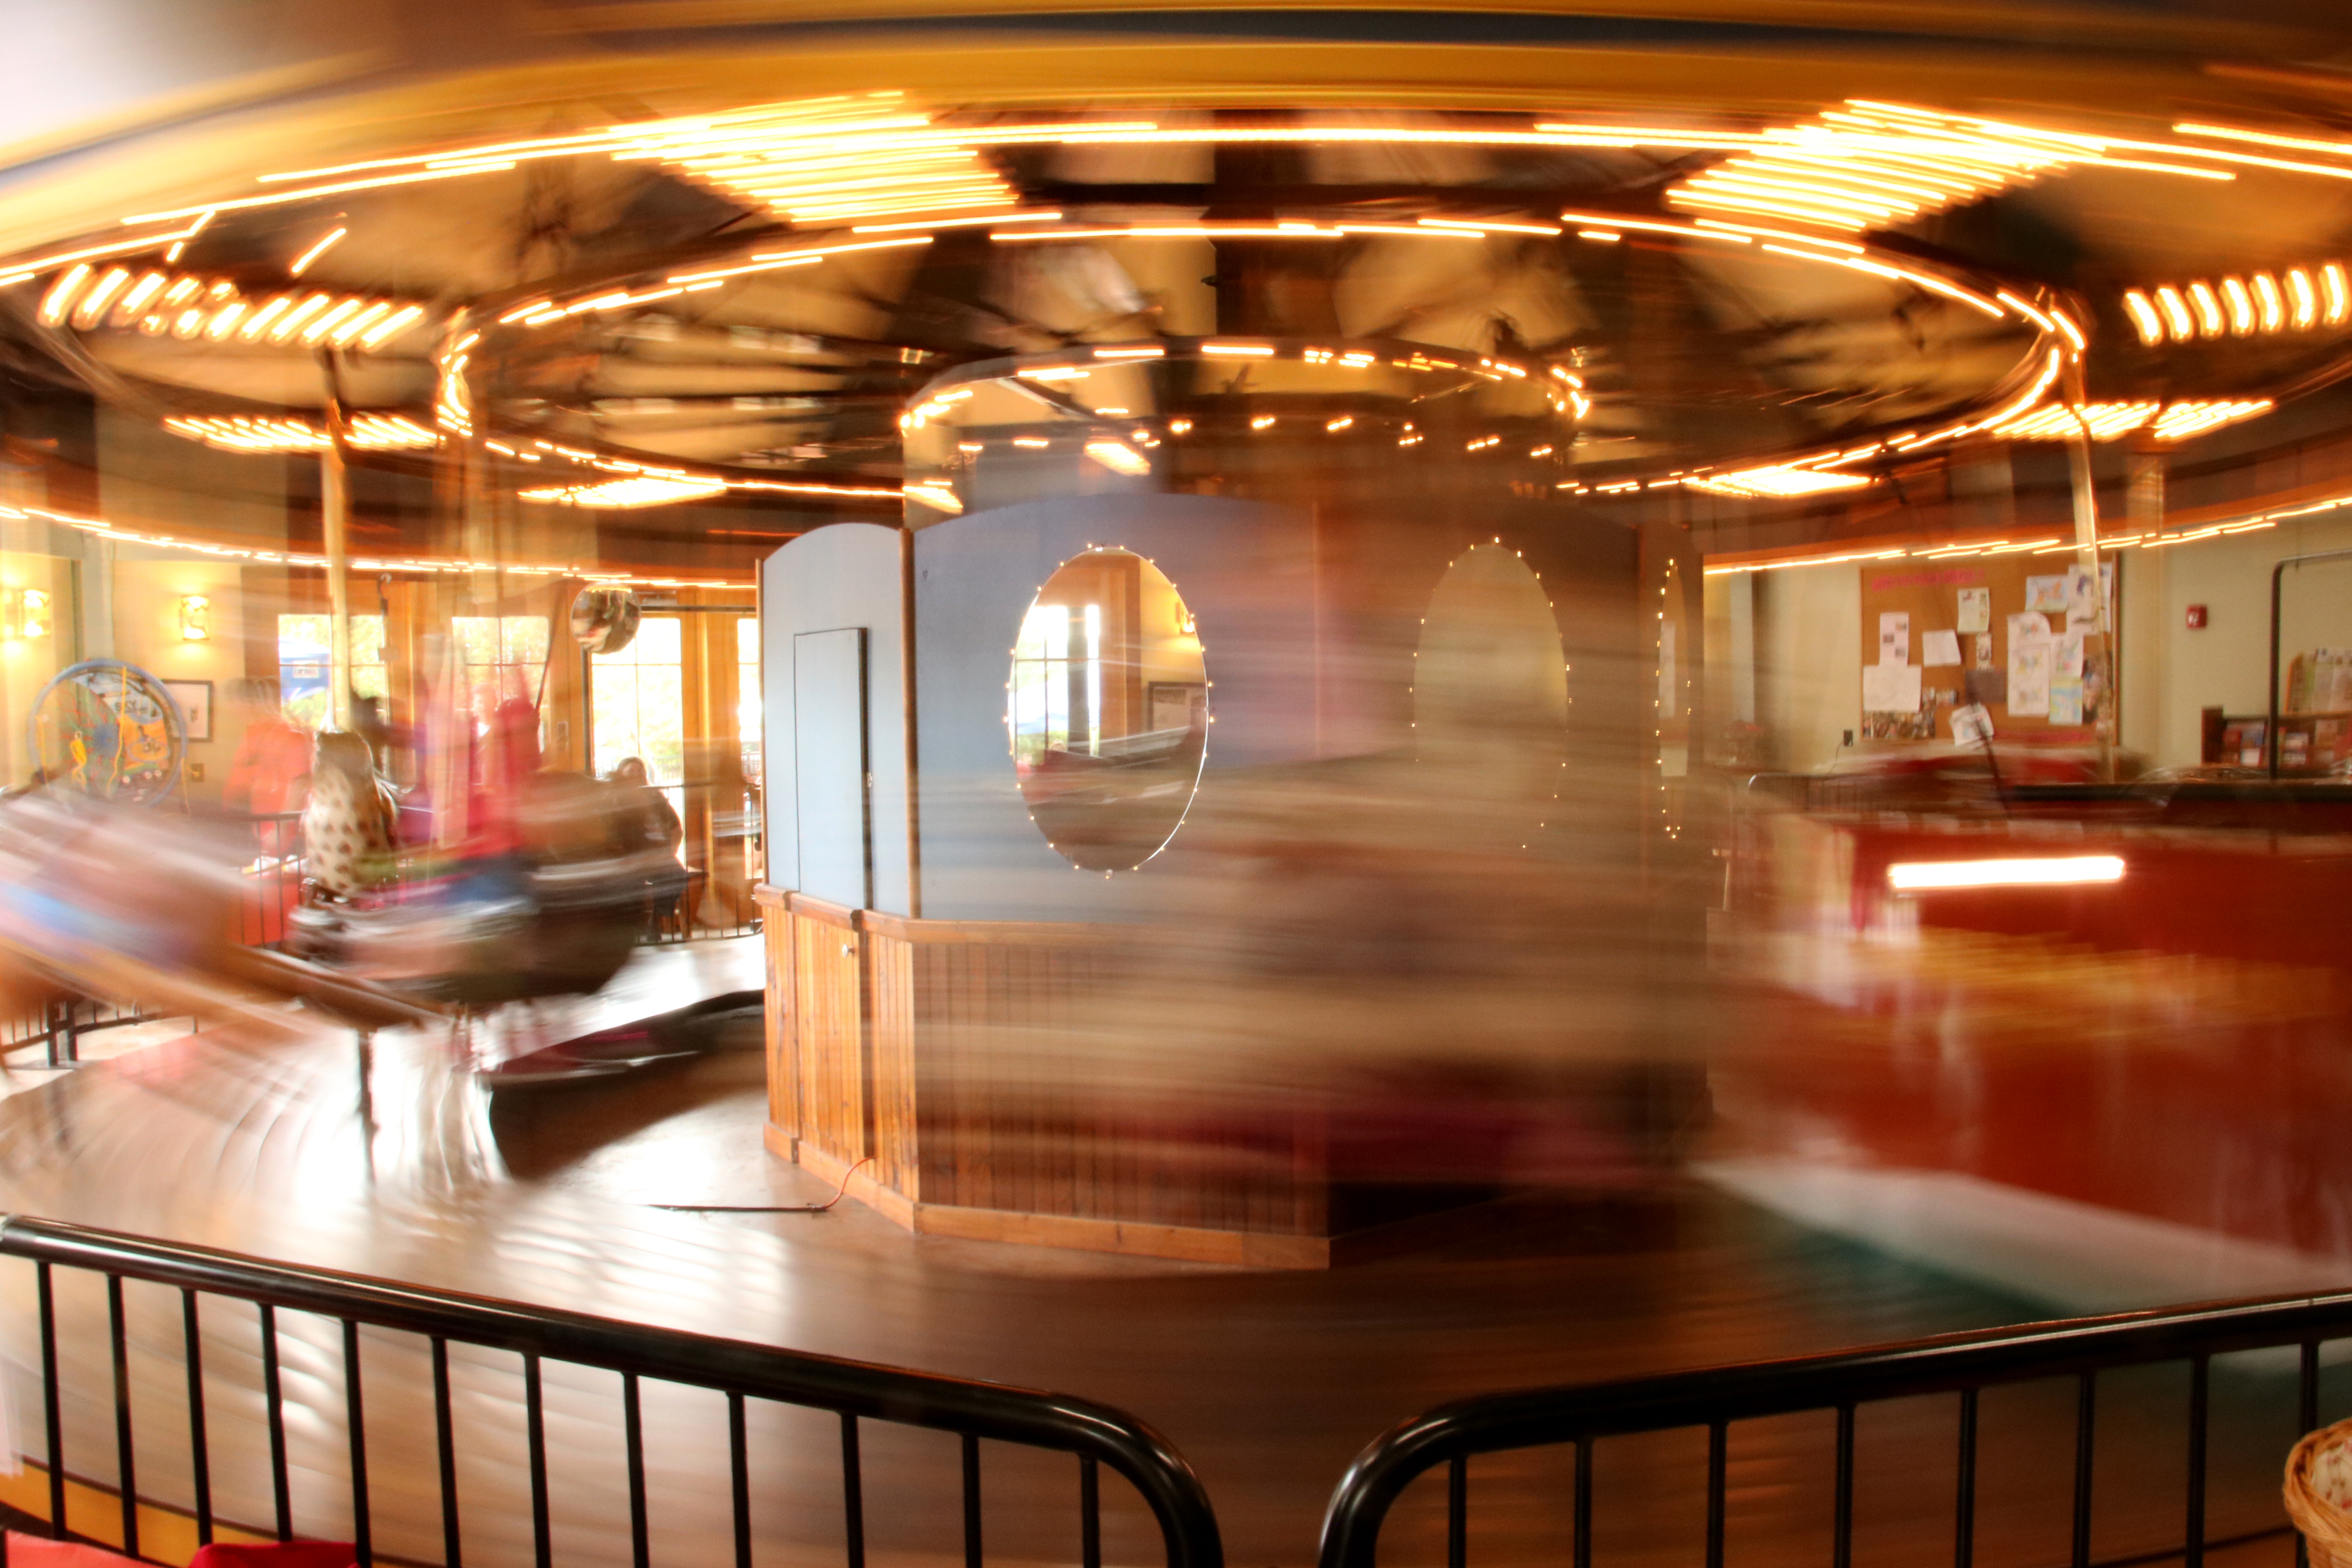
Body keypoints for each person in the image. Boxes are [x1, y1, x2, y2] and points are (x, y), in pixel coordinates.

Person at [221, 678, 311, 855]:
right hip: (256, 824)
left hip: (281, 831)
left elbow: (300, 782)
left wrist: (282, 830)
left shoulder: (291, 736)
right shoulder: (255, 732)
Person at [609, 756, 685, 929]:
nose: (636, 775)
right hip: (634, 853)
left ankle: (656, 921)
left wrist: (670, 852)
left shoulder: (655, 796)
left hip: (658, 853)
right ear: (622, 775)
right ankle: (631, 928)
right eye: (631, 772)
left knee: (677, 876)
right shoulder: (616, 798)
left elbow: (675, 826)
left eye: (639, 771)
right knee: (628, 884)